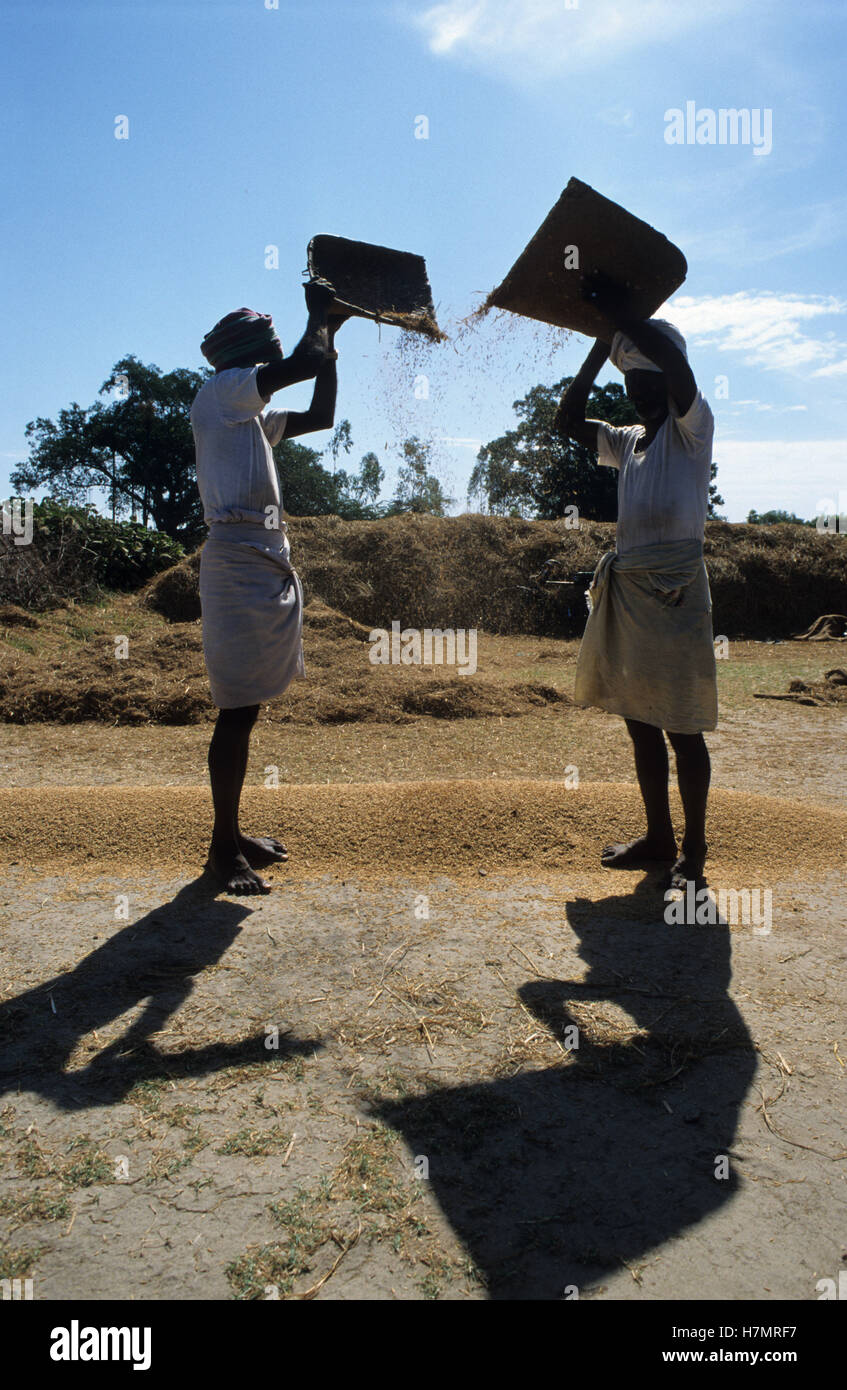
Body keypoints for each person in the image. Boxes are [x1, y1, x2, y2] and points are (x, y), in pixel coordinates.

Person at [555, 274, 717, 889]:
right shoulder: (629, 443)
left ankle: (694, 851)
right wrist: (604, 339)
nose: (641, 392)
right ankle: (658, 836)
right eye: (632, 383)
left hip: (674, 592)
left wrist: (626, 314)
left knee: (683, 725)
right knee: (639, 719)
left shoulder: (690, 431)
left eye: (649, 381)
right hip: (631, 590)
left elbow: (675, 361)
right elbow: (566, 419)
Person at [191, 278, 347, 894]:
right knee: (235, 710)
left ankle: (232, 836)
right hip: (236, 562)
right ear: (249, 356)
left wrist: (330, 340)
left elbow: (321, 414)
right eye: (268, 353)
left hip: (258, 557)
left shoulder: (244, 412)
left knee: (246, 707)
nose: (273, 362)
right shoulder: (226, 390)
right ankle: (220, 849)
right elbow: (302, 364)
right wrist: (324, 322)